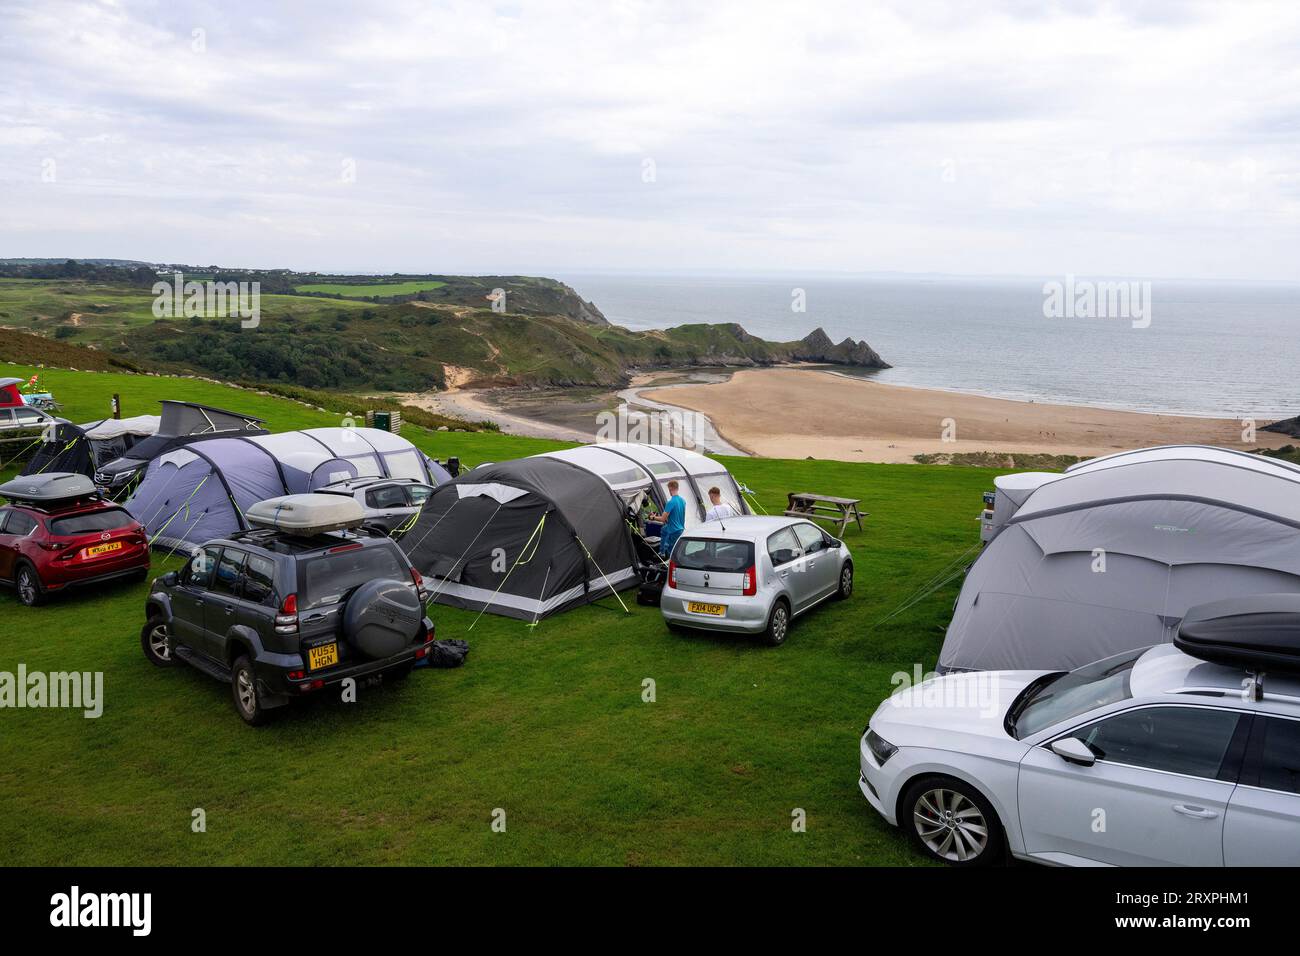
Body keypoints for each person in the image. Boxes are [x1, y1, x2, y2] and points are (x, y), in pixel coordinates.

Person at [655, 480, 686, 558]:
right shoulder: (683, 501)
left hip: (673, 531)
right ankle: (662, 551)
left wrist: (653, 517)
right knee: (664, 530)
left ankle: (663, 555)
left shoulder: (671, 502)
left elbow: (662, 519)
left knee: (671, 553)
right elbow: (678, 515)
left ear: (670, 488)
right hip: (681, 529)